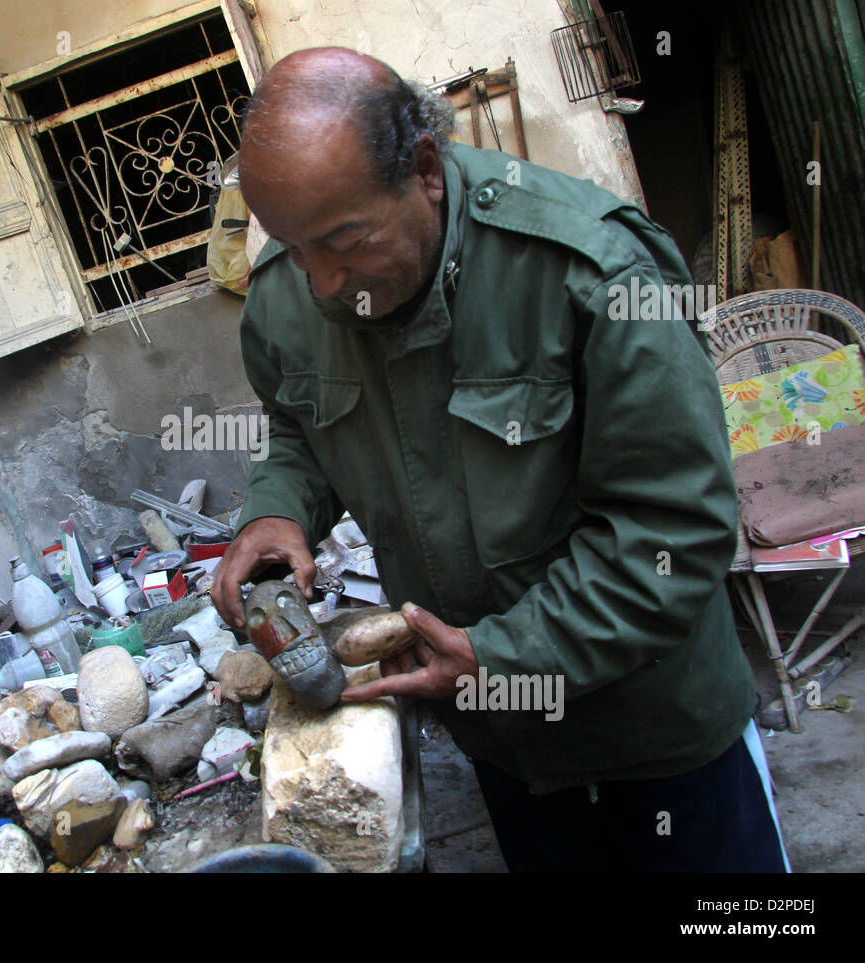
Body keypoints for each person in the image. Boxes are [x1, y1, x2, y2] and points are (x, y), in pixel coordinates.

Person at [210, 47, 789, 872]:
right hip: (500, 742)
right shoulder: (287, 294)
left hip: (656, 733)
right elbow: (297, 429)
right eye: (297, 249)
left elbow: (677, 526)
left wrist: (506, 657)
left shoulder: (590, 268)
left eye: (344, 241)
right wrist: (277, 508)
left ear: (424, 169)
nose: (326, 282)